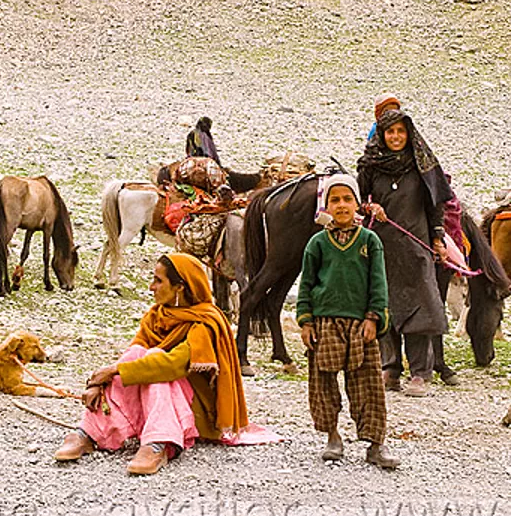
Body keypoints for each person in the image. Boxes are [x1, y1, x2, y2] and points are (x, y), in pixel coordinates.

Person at [54, 253, 255, 475]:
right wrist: (97, 384)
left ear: (180, 287)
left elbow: (172, 365)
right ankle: (90, 432)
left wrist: (113, 371)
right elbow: (133, 352)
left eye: (159, 281)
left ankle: (160, 443)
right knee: (138, 353)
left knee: (156, 365)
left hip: (196, 411)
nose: (151, 287)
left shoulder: (205, 323)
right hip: (159, 398)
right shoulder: (156, 315)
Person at [296, 173, 399, 469]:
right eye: (335, 200)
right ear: (326, 205)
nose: (341, 205)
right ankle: (333, 437)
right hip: (324, 323)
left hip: (360, 326)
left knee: (368, 385)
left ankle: (375, 444)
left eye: (347, 199)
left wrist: (373, 317)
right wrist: (306, 321)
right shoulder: (317, 243)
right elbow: (307, 284)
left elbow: (378, 283)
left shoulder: (370, 240)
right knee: (323, 384)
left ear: (357, 204)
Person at [357, 109, 454, 398]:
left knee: (420, 306)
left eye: (401, 131)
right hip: (381, 245)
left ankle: (421, 373)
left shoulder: (422, 165)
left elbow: (436, 204)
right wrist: (369, 207)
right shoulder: (370, 166)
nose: (396, 137)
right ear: (382, 136)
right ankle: (390, 368)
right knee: (383, 303)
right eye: (390, 132)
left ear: (408, 134)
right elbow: (358, 199)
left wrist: (437, 239)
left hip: (416, 245)